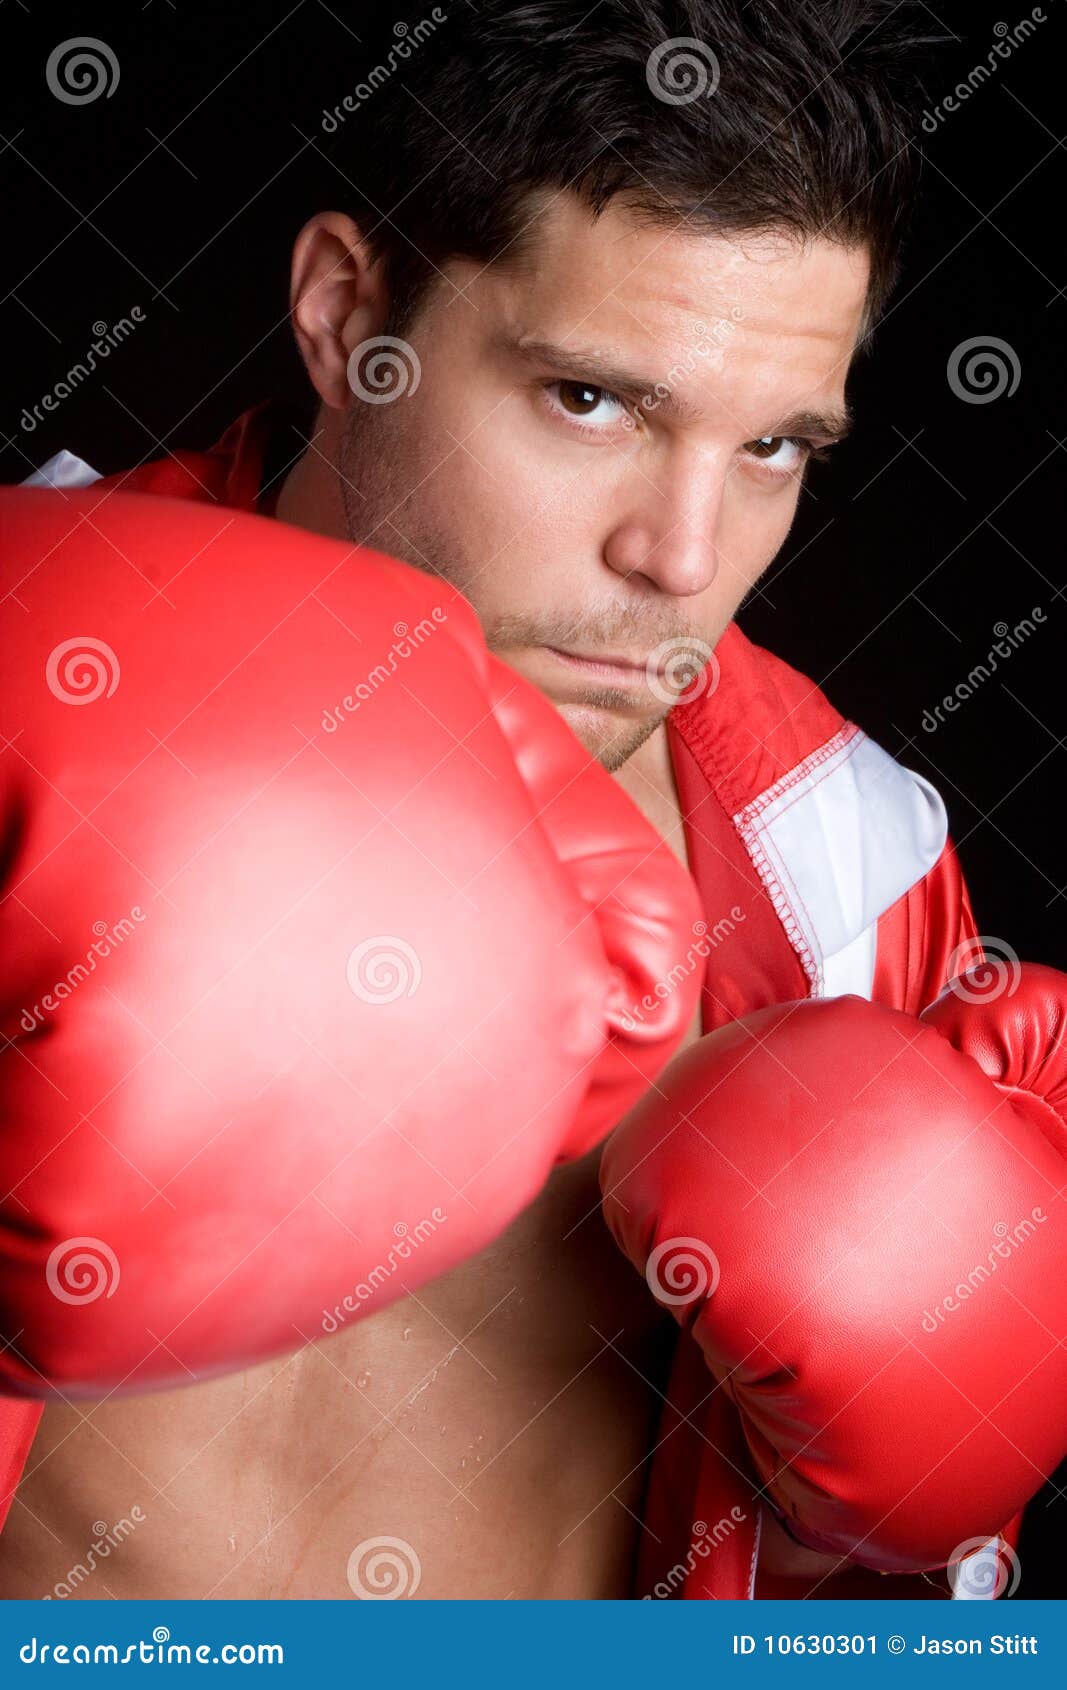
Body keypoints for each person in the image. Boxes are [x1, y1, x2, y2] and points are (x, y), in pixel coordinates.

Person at [2, 0, 1062, 1601]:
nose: (681, 559)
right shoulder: (24, 678)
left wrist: (890, 1520)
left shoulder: (843, 880)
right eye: (592, 401)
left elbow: (876, 1595)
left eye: (773, 446)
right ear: (348, 311)